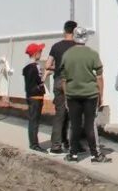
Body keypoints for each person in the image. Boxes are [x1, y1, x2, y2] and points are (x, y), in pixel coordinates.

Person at [60, 27, 110, 163]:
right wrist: (101, 95)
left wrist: (66, 96)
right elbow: (99, 77)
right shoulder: (92, 54)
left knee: (74, 125)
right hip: (90, 94)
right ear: (86, 38)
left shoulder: (67, 55)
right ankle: (95, 154)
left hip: (72, 94)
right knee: (90, 124)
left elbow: (63, 79)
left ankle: (73, 154)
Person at [44, 20, 77, 154]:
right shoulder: (77, 46)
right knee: (74, 114)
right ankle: (71, 144)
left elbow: (47, 65)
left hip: (58, 81)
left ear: (64, 31)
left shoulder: (56, 46)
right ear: (74, 32)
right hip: (73, 82)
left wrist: (57, 67)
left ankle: (56, 145)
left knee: (60, 114)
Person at [22, 42, 47, 151]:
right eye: (40, 51)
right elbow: (38, 82)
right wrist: (46, 75)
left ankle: (34, 142)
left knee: (34, 120)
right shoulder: (34, 67)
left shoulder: (28, 67)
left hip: (32, 96)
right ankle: (34, 144)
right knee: (34, 121)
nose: (41, 53)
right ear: (35, 53)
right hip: (35, 97)